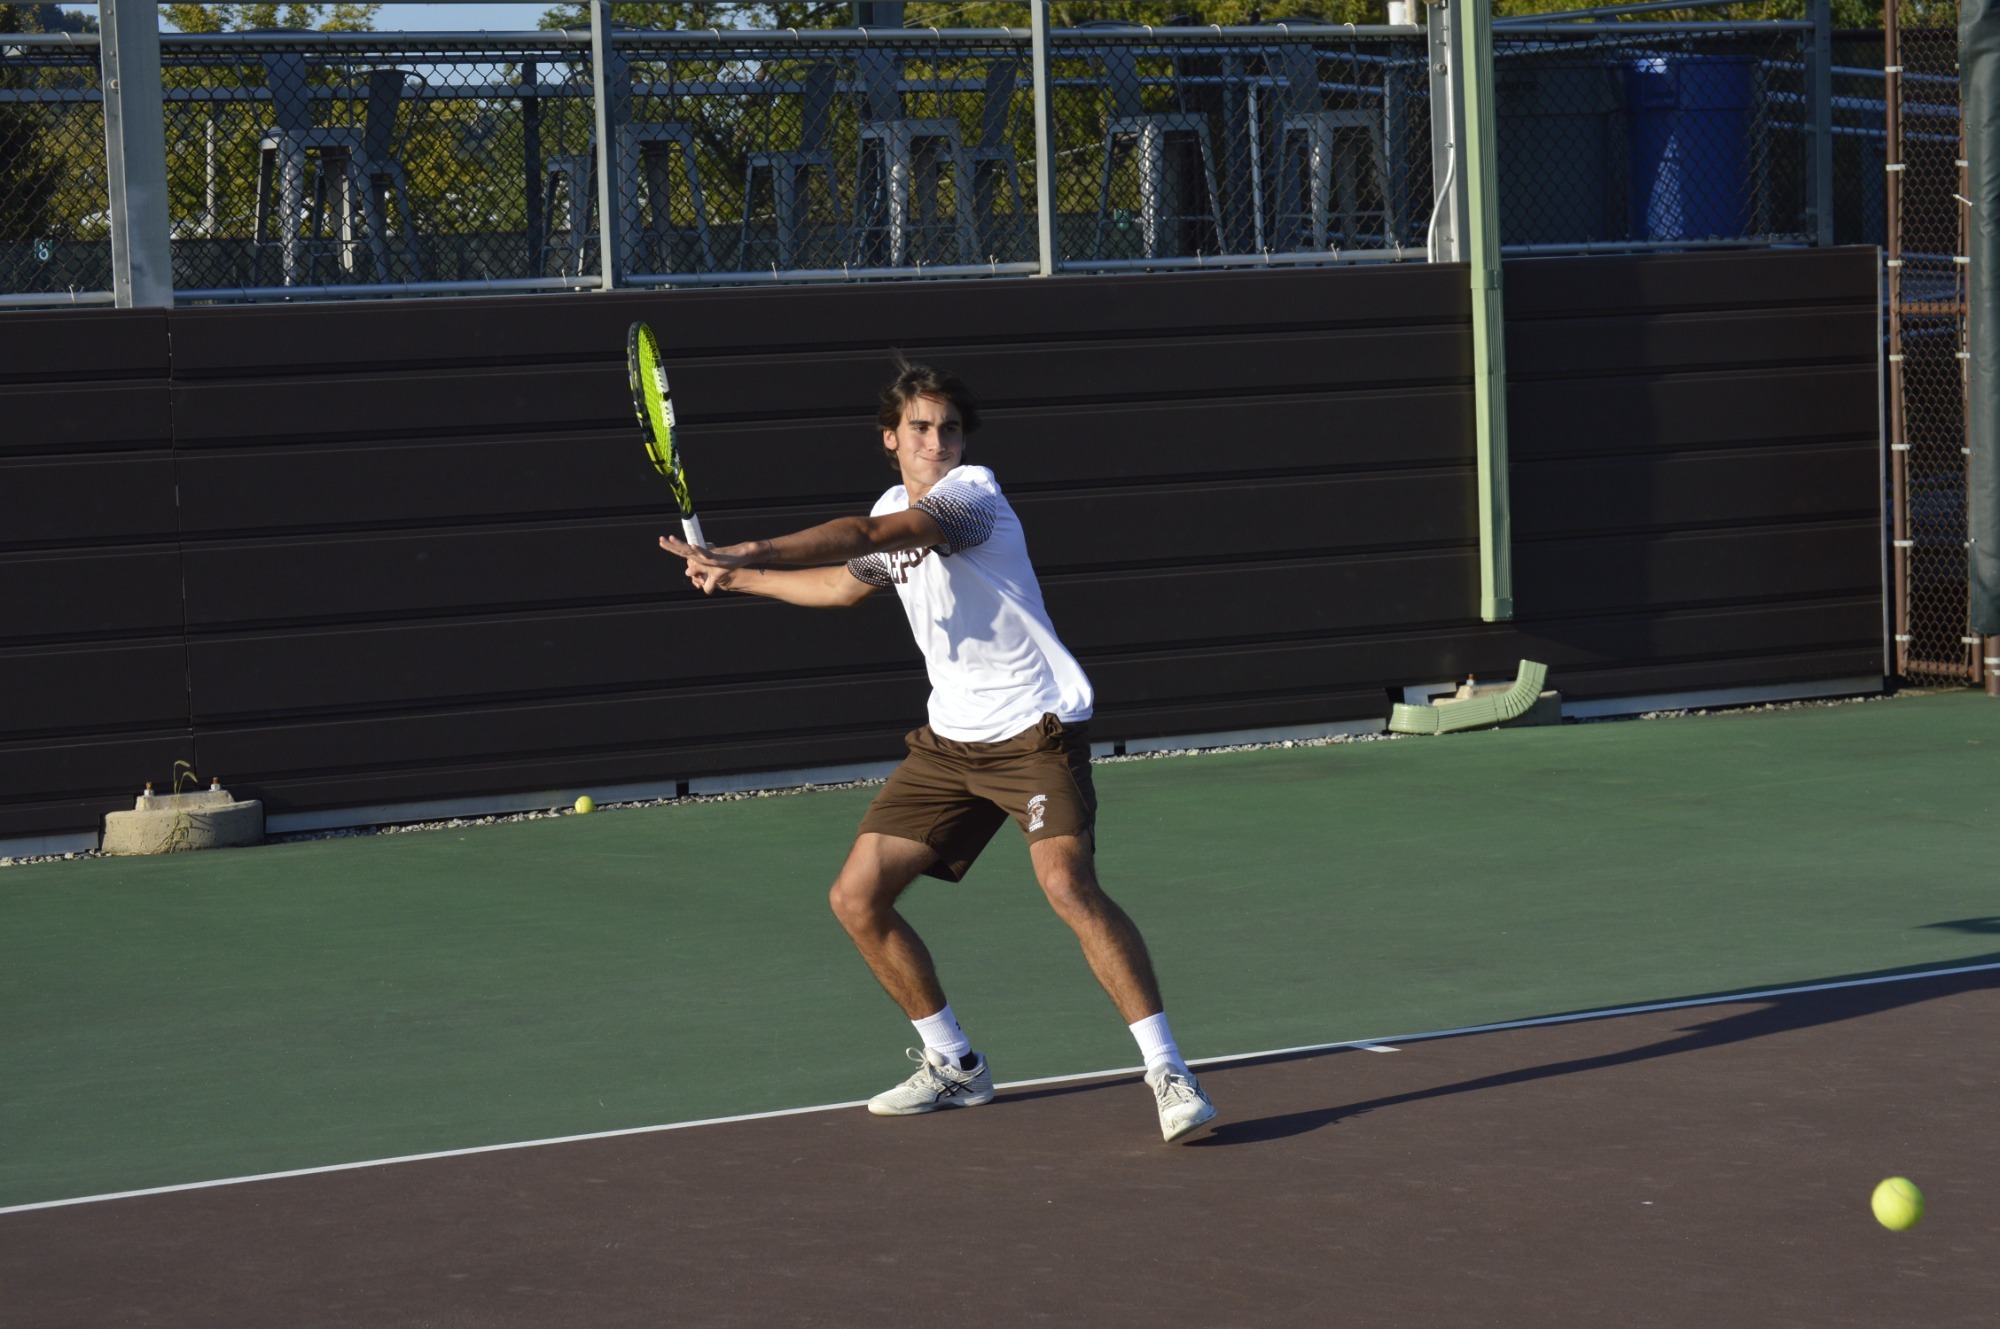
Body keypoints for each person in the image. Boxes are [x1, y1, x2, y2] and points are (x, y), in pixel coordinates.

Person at [660, 362, 1216, 1144]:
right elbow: (845, 585)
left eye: (948, 428)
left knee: (1067, 886)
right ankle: (953, 1061)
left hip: (1033, 729)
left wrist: (752, 543)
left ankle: (1168, 1071)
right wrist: (738, 576)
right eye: (920, 429)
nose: (937, 442)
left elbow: (866, 536)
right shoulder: (897, 503)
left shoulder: (972, 496)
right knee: (856, 898)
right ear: (891, 439)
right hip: (950, 745)